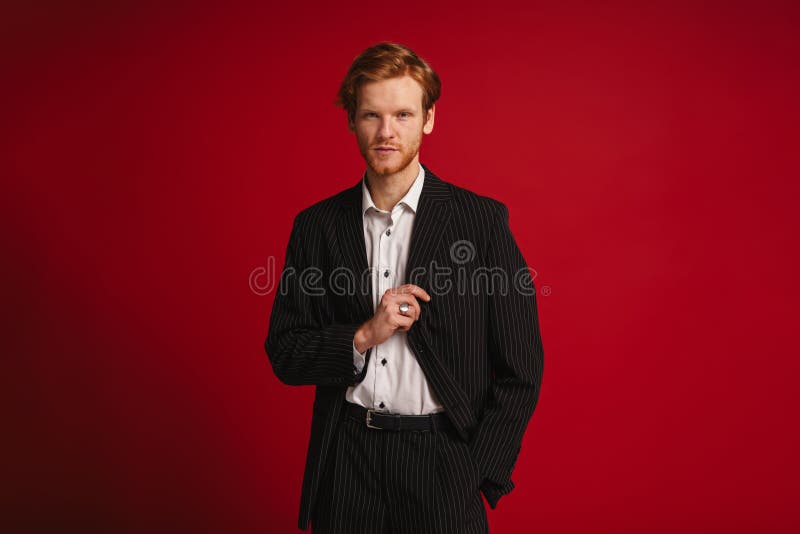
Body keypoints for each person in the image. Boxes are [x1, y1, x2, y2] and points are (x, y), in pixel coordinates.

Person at [265, 41, 544, 533]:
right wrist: (362, 336)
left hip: (444, 464)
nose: (386, 132)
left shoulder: (480, 222)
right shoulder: (317, 227)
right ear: (351, 120)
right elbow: (285, 352)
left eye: (402, 114)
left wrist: (477, 471)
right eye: (371, 114)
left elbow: (522, 365)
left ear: (428, 119)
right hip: (349, 462)